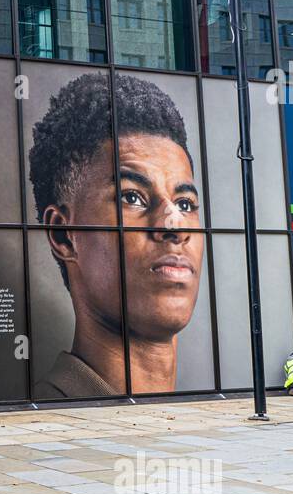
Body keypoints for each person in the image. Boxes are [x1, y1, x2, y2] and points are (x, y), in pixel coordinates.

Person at [29, 73, 205, 398]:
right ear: (64, 235)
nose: (174, 225)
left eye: (185, 203)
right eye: (132, 197)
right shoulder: (53, 422)